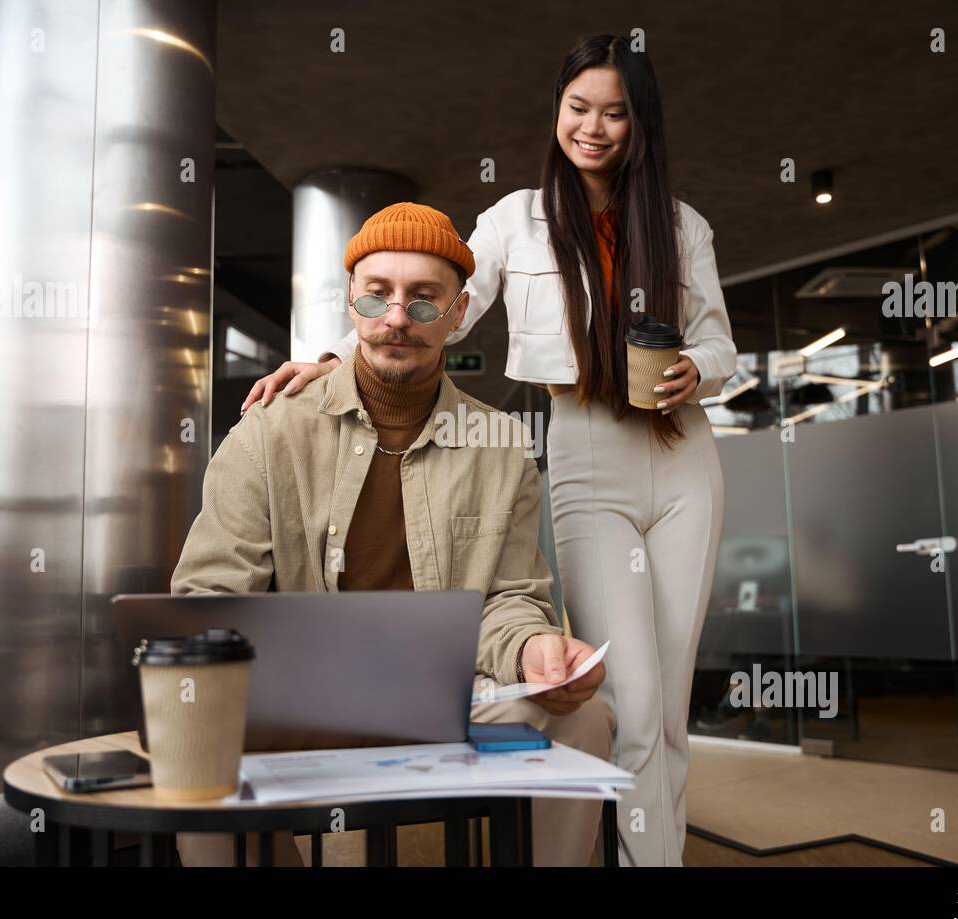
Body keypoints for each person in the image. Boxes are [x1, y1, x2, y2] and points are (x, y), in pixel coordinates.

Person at [241, 34, 736, 866]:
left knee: (673, 707)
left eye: (615, 113)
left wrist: (700, 368)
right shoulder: (518, 218)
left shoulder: (683, 227)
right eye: (578, 108)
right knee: (632, 699)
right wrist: (332, 358)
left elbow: (722, 345)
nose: (593, 127)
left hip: (685, 452)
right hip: (585, 447)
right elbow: (441, 309)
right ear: (557, 112)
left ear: (640, 124)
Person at [171, 201, 614, 866]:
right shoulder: (271, 429)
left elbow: (512, 596)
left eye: (425, 300)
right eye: (377, 298)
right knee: (195, 731)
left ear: (460, 313)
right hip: (301, 700)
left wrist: (532, 646)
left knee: (580, 719)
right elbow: (207, 595)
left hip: (449, 697)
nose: (398, 319)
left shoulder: (502, 446)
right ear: (352, 303)